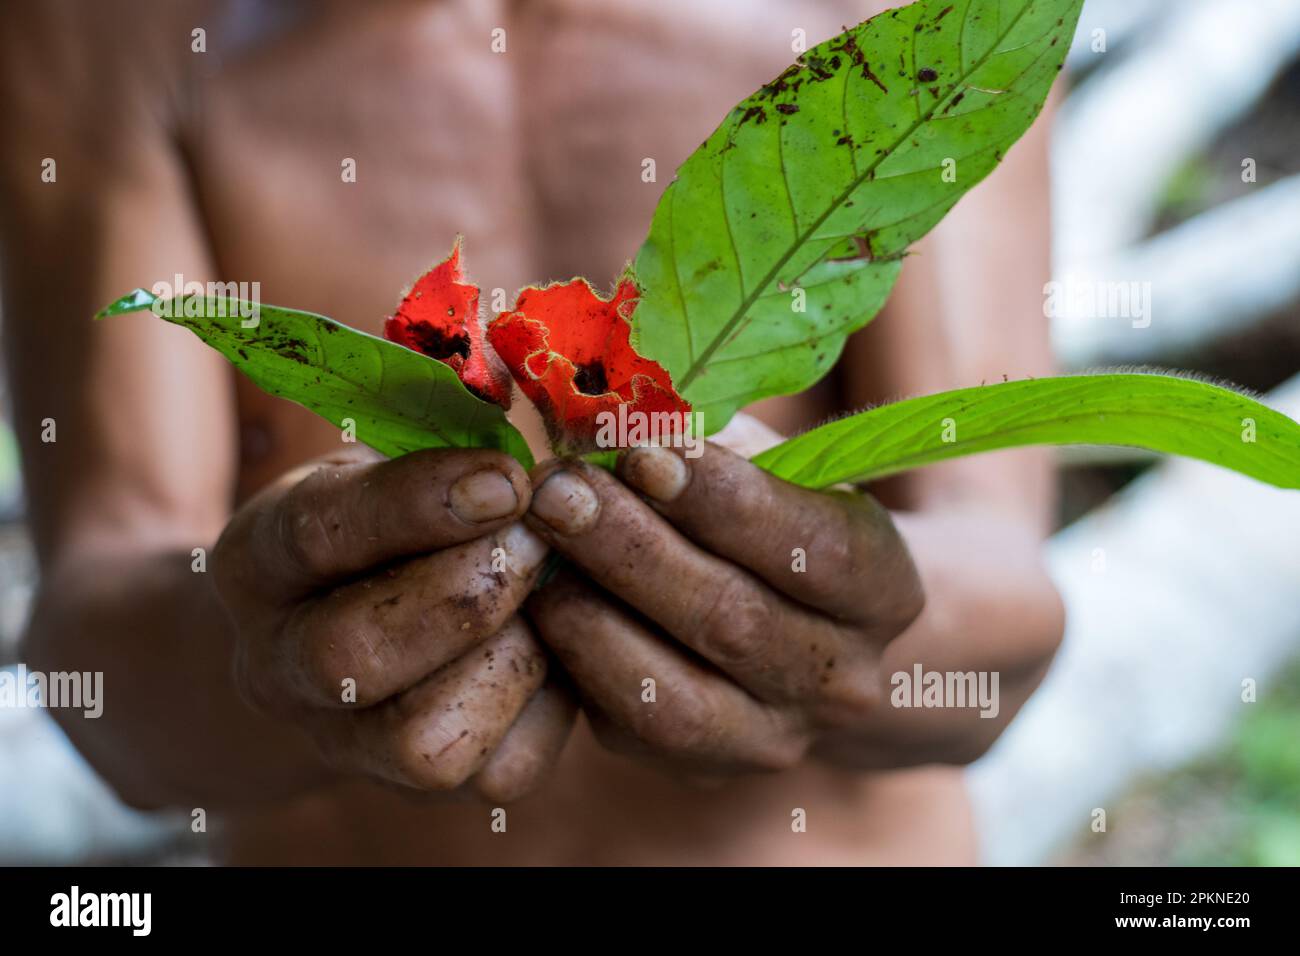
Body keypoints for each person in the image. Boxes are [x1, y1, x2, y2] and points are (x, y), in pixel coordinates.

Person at [0, 0, 1063, 864]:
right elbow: (103, 653)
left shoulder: (945, 29)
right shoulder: (106, 27)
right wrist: (280, 647)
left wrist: (822, 623)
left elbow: (1003, 590)